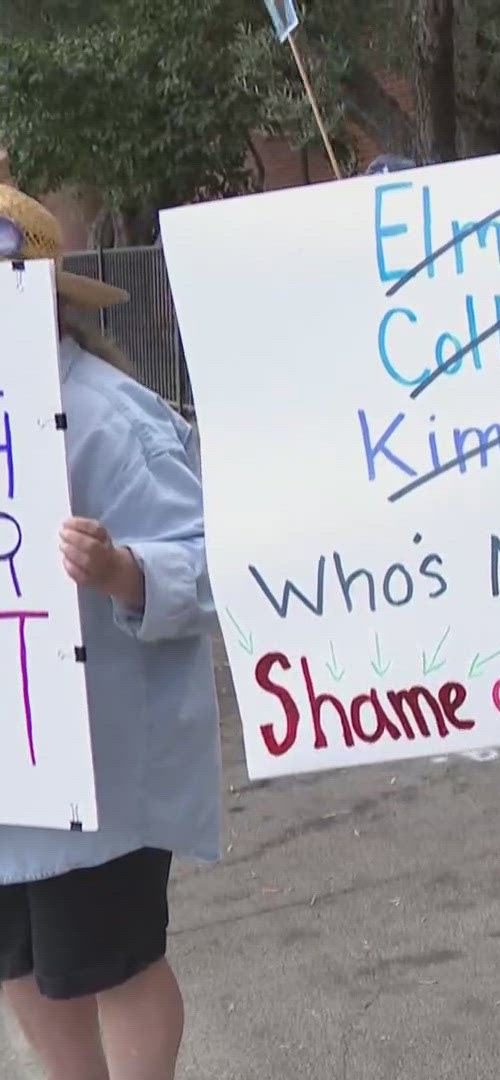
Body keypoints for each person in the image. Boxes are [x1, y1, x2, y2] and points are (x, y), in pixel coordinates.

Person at [0, 185, 220, 1080]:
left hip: (99, 770)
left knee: (113, 963)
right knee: (18, 961)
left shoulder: (114, 419)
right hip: (12, 770)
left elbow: (211, 567)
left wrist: (123, 569)